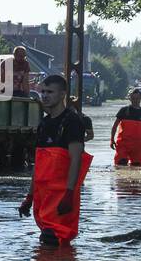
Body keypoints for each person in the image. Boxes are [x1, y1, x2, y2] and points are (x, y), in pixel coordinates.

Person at [19, 73, 91, 247]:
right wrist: (29, 197)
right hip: (43, 198)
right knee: (50, 246)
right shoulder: (44, 124)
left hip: (62, 196)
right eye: (43, 91)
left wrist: (69, 194)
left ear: (62, 94)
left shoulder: (72, 122)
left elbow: (76, 160)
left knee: (53, 240)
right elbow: (38, 164)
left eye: (50, 92)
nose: (44, 95)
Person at [109, 88, 141, 167]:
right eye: (133, 98)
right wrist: (112, 140)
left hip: (138, 145)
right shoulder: (124, 111)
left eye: (137, 98)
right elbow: (114, 126)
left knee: (137, 166)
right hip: (123, 144)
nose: (135, 100)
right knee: (120, 164)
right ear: (130, 98)